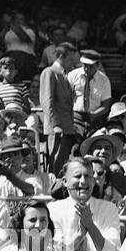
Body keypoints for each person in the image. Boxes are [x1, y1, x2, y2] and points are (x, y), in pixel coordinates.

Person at [48, 158, 123, 251]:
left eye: (87, 176)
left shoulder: (109, 209)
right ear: (65, 181)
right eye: (77, 176)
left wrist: (91, 226)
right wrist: (79, 236)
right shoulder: (53, 210)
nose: (83, 181)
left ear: (93, 180)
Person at [39, 42, 79, 176]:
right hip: (57, 130)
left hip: (67, 129)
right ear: (61, 56)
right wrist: (55, 124)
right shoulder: (49, 72)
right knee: (55, 167)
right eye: (70, 60)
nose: (72, 63)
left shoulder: (64, 76)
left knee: (64, 166)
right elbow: (46, 101)